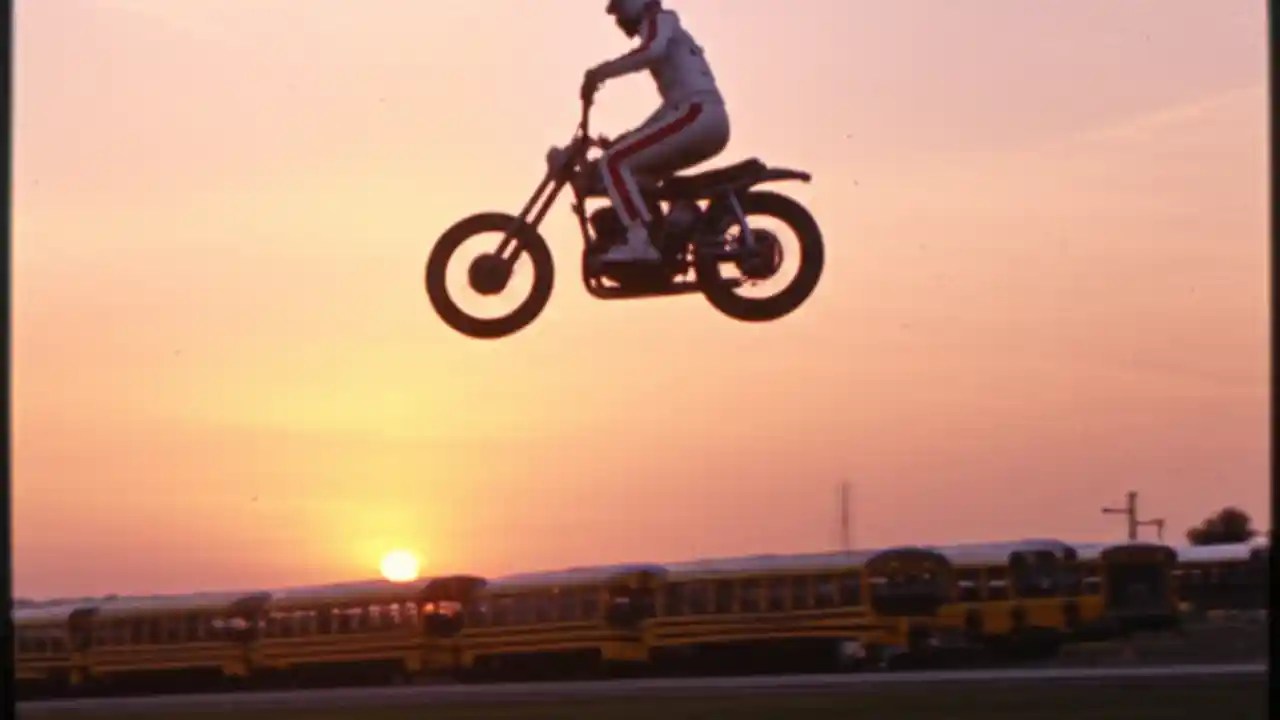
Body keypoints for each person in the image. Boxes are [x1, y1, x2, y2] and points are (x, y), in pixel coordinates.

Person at [581, 0, 730, 263]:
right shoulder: (671, 30)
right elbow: (669, 112)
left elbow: (651, 51)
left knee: (613, 162)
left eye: (619, 9)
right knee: (634, 168)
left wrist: (600, 72)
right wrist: (629, 138)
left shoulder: (659, 20)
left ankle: (639, 241)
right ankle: (671, 231)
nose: (618, 19)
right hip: (702, 117)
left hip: (698, 114)